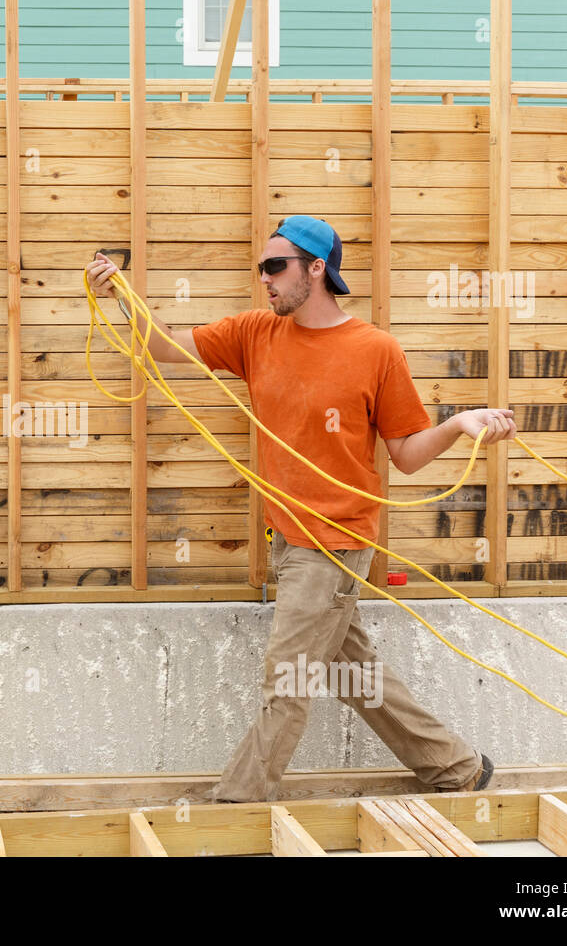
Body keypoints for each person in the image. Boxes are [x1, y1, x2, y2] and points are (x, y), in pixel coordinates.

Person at [85, 214, 517, 803]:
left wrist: (459, 424)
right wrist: (121, 296)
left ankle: (236, 806)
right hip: (287, 540)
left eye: (275, 266)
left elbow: (408, 456)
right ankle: (457, 769)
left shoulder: (375, 350)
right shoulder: (254, 334)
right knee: (356, 675)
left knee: (287, 683)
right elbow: (162, 347)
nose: (264, 278)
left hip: (334, 545)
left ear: (317, 269)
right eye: (261, 266)